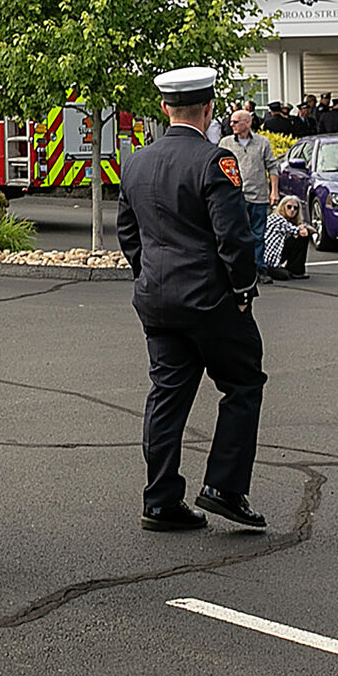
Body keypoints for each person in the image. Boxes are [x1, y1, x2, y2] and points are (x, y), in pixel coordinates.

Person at [115, 66, 266, 534]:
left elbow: (128, 232)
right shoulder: (213, 161)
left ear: (165, 108)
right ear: (209, 110)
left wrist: (149, 276)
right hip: (210, 300)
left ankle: (160, 501)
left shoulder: (136, 161)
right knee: (243, 384)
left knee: (166, 398)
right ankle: (224, 486)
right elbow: (233, 238)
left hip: (157, 299)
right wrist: (242, 290)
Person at [218, 108, 279, 259]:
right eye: (231, 122)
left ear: (247, 123)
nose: (232, 125)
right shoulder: (225, 143)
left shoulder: (262, 142)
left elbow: (272, 167)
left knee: (258, 235)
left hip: (258, 196)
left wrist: (274, 191)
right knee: (237, 234)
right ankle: (241, 268)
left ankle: (259, 267)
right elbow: (218, 169)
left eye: (236, 122)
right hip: (235, 197)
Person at [263, 195, 311, 281]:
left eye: (295, 208)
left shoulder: (288, 222)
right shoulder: (276, 218)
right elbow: (300, 231)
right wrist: (304, 228)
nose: (292, 210)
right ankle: (295, 270)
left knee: (299, 237)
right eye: (289, 207)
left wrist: (303, 226)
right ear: (282, 207)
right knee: (284, 276)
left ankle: (295, 270)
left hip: (277, 258)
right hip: (267, 261)